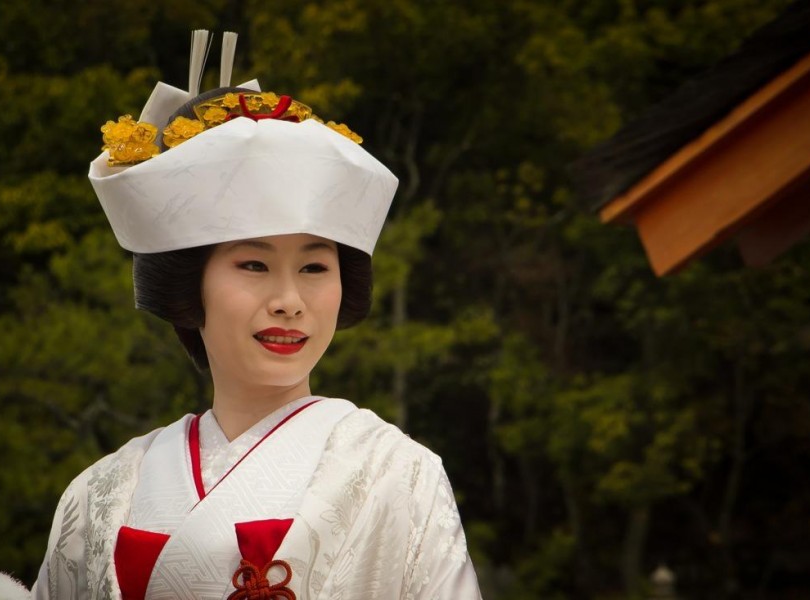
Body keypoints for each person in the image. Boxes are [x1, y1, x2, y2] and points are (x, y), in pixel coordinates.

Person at [29, 32, 482, 599]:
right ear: (189, 284)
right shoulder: (103, 493)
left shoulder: (397, 475)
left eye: (315, 268)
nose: (289, 299)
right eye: (253, 265)